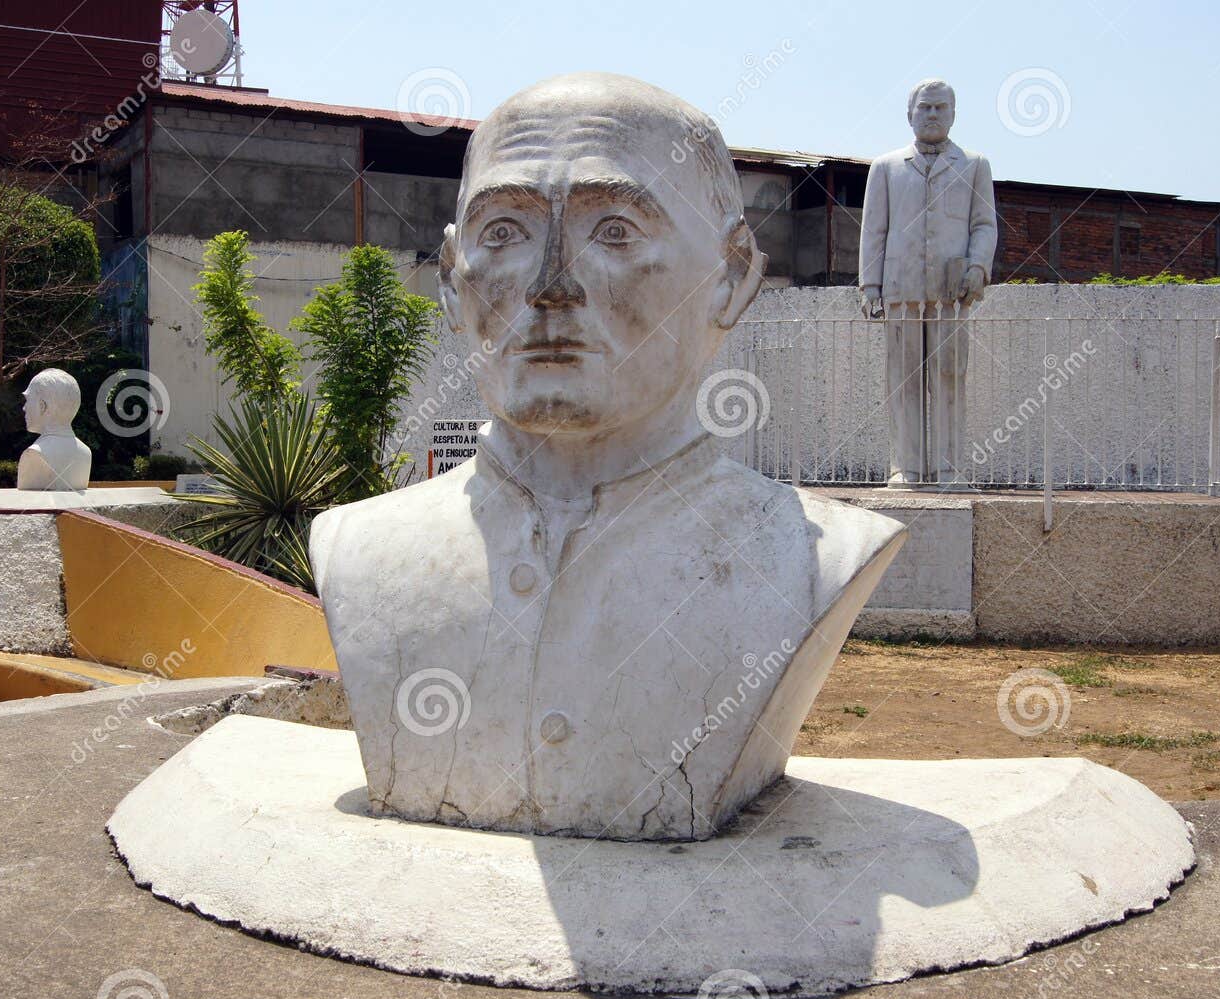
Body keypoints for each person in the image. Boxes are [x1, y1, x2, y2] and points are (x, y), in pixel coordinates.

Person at [311, 73, 905, 840]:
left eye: (616, 230)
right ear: (453, 285)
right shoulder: (358, 549)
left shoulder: (812, 559)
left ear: (731, 278)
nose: (552, 285)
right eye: (505, 231)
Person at [859, 79, 997, 487]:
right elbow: (873, 231)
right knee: (903, 383)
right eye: (925, 108)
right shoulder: (884, 167)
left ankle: (949, 468)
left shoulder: (975, 164)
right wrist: (870, 286)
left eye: (940, 108)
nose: (932, 114)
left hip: (950, 293)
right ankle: (906, 467)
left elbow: (984, 224)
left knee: (949, 379)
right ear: (909, 115)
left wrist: (978, 267)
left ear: (953, 114)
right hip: (900, 291)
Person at [15, 368, 91, 491]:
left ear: (42, 406)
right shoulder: (85, 452)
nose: (24, 408)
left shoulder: (34, 454)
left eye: (28, 400)